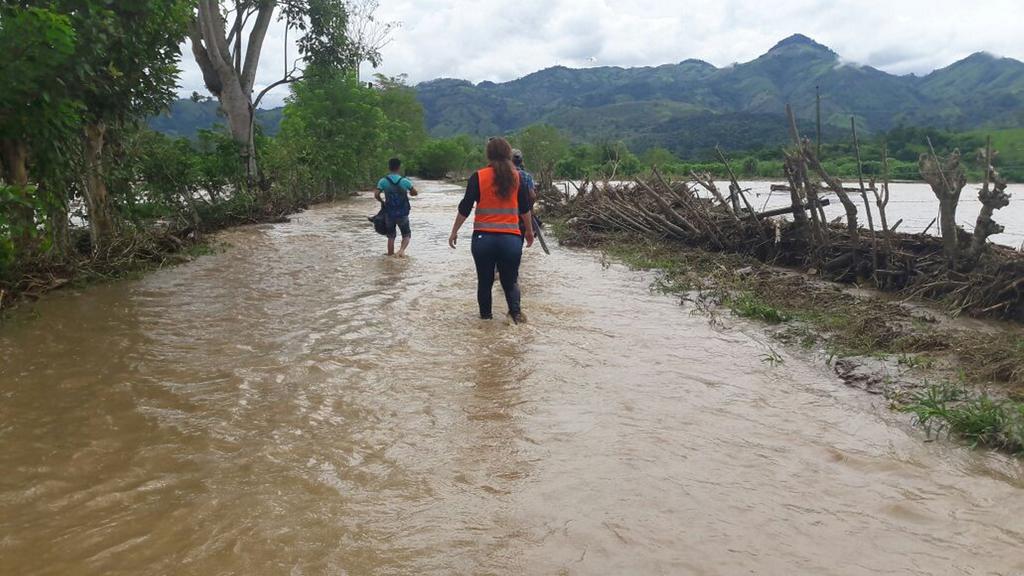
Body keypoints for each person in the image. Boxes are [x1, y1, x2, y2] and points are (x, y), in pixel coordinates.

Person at [448, 138, 534, 323]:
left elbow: (465, 207)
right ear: (508, 153)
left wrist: (454, 231)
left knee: (485, 283)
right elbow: (525, 208)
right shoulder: (517, 177)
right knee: (510, 282)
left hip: (483, 239)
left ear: (488, 154)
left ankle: (486, 323)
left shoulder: (478, 176)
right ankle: (516, 317)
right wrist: (528, 231)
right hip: (510, 239)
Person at [375, 157, 419, 257]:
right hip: (403, 213)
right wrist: (411, 193)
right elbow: (415, 193)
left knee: (391, 236)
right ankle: (401, 251)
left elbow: (376, 194)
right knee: (406, 234)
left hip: (389, 213)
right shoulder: (405, 181)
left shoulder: (383, 181)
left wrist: (382, 201)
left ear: (389, 167)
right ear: (399, 167)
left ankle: (390, 255)